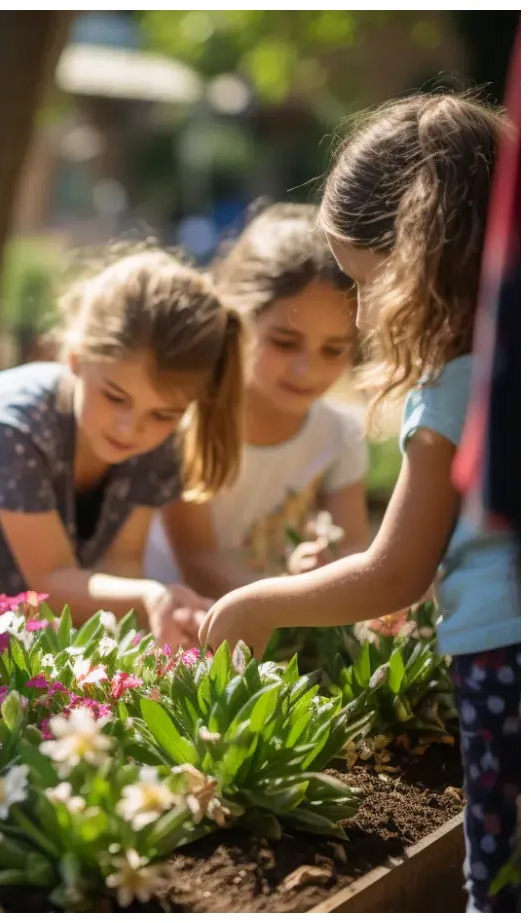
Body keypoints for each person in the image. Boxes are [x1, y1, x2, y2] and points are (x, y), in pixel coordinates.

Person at [199, 91, 518, 913]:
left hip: (504, 662)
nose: (363, 307)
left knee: (506, 878)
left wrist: (256, 603)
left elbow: (395, 571)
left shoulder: (453, 383)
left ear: (417, 260)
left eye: (363, 280)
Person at [0, 248, 244, 647]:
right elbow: (50, 577)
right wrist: (151, 596)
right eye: (115, 396)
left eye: (162, 414)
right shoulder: (14, 427)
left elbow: (121, 562)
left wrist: (154, 613)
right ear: (76, 359)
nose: (131, 428)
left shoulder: (160, 444)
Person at [145, 202, 369, 597]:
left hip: (270, 635)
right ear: (237, 319)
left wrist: (322, 566)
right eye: (285, 342)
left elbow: (352, 551)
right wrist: (285, 602)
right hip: (175, 630)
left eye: (333, 350)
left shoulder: (340, 435)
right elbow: (198, 560)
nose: (307, 370)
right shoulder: (189, 421)